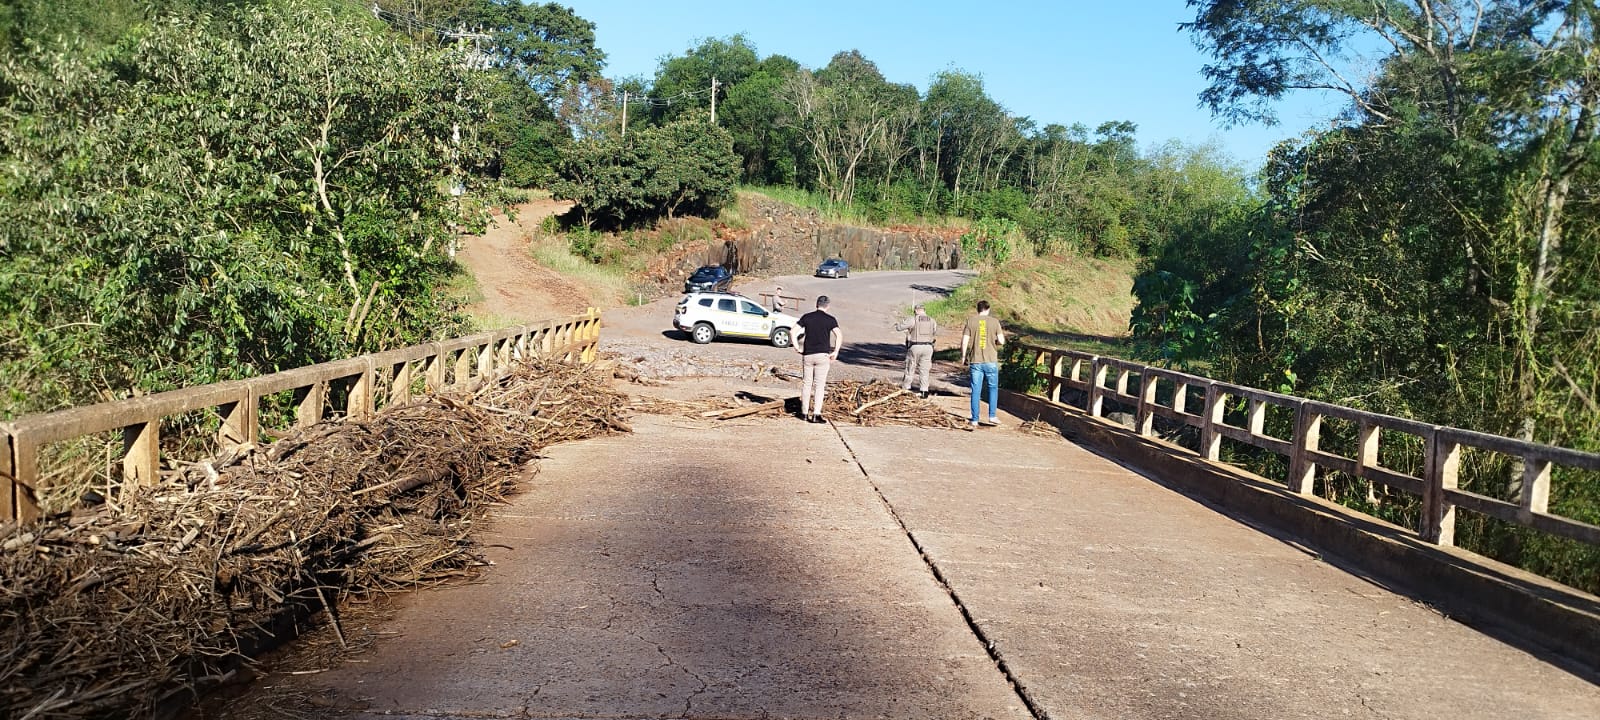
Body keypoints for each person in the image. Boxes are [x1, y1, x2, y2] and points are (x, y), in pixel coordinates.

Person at [792, 295, 842, 424]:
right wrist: (835, 352)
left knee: (807, 383)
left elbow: (793, 332)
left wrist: (797, 347)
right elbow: (839, 335)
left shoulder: (807, 317)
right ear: (828, 306)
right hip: (823, 356)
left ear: (816, 304)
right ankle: (816, 414)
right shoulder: (830, 320)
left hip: (808, 354)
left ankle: (804, 413)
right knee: (819, 386)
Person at [959, 300, 1005, 429]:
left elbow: (964, 341)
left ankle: (974, 419)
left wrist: (963, 356)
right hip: (991, 360)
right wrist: (994, 343)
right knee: (993, 388)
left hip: (975, 360)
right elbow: (1002, 341)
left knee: (975, 390)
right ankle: (992, 415)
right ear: (988, 309)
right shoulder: (995, 322)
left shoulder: (970, 321)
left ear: (977, 309)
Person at [895, 304, 937, 398]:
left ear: (916, 311)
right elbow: (934, 331)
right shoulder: (932, 320)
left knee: (910, 367)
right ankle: (924, 391)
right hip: (928, 347)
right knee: (925, 370)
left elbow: (899, 328)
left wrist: (899, 323)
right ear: (924, 310)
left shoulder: (913, 319)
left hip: (915, 346)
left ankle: (906, 388)